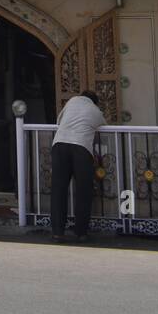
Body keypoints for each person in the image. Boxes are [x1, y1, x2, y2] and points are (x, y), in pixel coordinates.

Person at [50, 88, 107, 242]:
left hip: (60, 144)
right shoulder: (95, 110)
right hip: (81, 148)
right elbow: (102, 124)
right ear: (95, 102)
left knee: (58, 190)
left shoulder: (72, 101)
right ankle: (81, 232)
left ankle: (57, 232)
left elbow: (59, 120)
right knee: (83, 190)